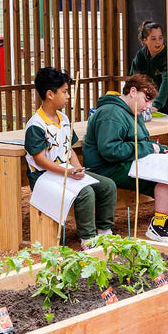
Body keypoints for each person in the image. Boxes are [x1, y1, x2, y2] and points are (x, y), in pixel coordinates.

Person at [83, 74, 168, 242]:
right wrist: (148, 148)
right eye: (146, 100)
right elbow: (110, 151)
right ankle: (160, 226)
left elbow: (142, 141)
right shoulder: (111, 113)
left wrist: (160, 149)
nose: (148, 106)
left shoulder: (131, 111)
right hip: (106, 168)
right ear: (132, 91)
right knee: (167, 174)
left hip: (124, 163)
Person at [24, 67, 118, 249]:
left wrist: (79, 169)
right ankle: (88, 240)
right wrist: (68, 171)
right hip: (44, 177)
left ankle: (104, 232)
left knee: (107, 186)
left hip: (65, 172)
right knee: (85, 193)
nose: (68, 96)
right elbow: (40, 160)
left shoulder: (64, 118)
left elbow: (70, 150)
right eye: (65, 92)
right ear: (50, 94)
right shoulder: (35, 125)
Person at [129, 20, 167, 114]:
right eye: (153, 39)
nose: (158, 42)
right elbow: (134, 79)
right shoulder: (141, 55)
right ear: (144, 40)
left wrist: (156, 105)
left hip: (167, 102)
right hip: (146, 103)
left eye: (160, 38)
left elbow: (167, 82)